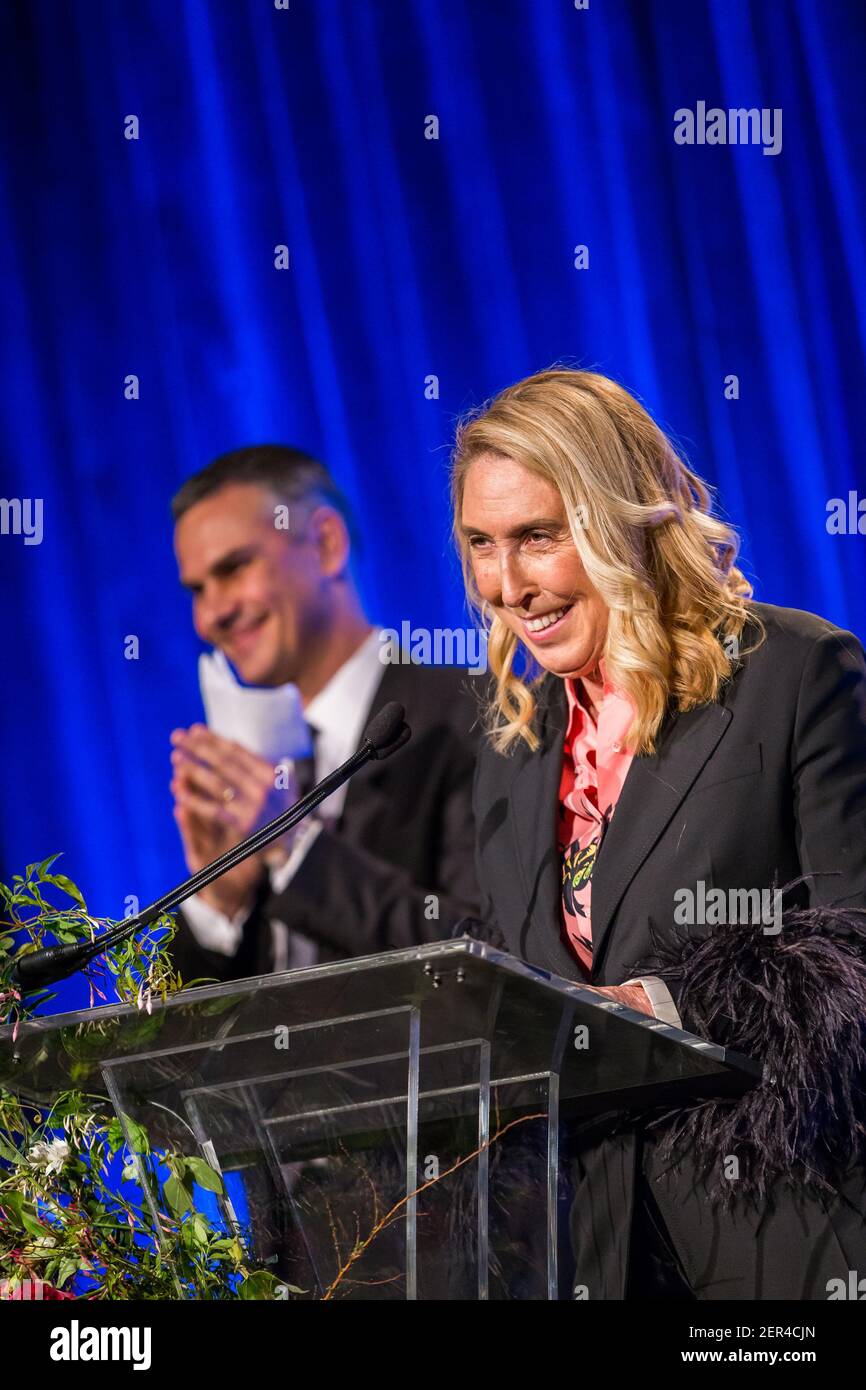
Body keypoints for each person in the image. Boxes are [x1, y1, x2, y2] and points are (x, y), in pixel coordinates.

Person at [451, 367, 866, 1299]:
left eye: (538, 538)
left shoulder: (791, 675)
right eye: (481, 544)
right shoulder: (514, 748)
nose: (507, 585)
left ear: (617, 518)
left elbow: (859, 945)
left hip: (781, 1237)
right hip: (593, 1254)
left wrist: (665, 1009)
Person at [168, 445, 480, 982]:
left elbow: (487, 960)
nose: (212, 615)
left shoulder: (471, 714)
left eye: (234, 568)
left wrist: (291, 847)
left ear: (326, 544)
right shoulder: (261, 769)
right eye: (197, 590)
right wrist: (218, 898)